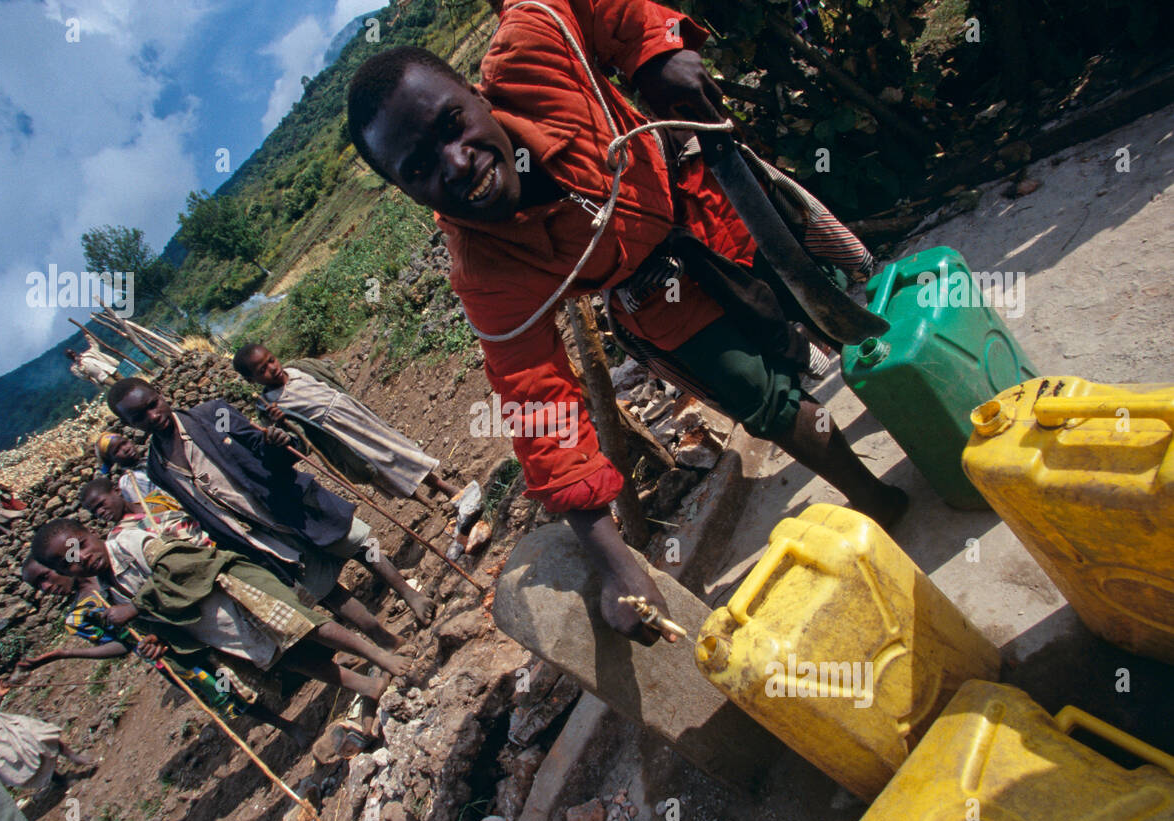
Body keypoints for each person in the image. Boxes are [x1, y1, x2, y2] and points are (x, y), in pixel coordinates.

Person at [344, 0, 907, 645]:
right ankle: (880, 502)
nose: (456, 162)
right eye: (418, 168)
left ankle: (920, 404)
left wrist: (655, 54)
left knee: (838, 312)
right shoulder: (487, 270)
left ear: (475, 94)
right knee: (765, 397)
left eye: (452, 124)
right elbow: (536, 399)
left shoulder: (532, 50)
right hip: (651, 293)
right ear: (402, 187)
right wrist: (617, 568)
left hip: (706, 195)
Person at [106, 378, 436, 641]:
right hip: (251, 532)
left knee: (358, 543)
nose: (153, 416)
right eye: (139, 417)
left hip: (286, 500)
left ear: (160, 395)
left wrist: (278, 443)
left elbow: (260, 447)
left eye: (153, 405)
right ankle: (380, 635)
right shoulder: (156, 469)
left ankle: (409, 594)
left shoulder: (212, 415)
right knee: (321, 588)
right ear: (129, 424)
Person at [28, 518, 408, 715]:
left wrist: (137, 606)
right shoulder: (110, 593)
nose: (82, 558)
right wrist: (155, 639)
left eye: (80, 547)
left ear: (91, 534)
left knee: (309, 626)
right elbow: (157, 623)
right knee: (292, 659)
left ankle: (382, 655)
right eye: (68, 562)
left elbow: (179, 566)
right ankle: (364, 685)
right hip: (214, 628)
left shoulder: (129, 543)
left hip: (235, 593)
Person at [17, 557, 312, 745]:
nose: (46, 588)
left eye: (44, 577)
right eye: (38, 587)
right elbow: (119, 646)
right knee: (224, 688)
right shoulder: (80, 616)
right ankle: (286, 726)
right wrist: (62, 655)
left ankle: (294, 676)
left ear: (58, 563)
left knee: (247, 648)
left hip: (187, 625)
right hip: (174, 658)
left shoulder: (106, 571)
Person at [232, 343, 460, 509]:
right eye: (262, 370)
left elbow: (331, 380)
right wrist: (282, 423)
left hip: (354, 414)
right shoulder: (270, 407)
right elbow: (298, 445)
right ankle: (421, 499)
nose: (271, 368)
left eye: (271, 360)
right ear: (253, 380)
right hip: (339, 437)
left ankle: (443, 487)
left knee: (397, 449)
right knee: (379, 468)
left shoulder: (299, 369)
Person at [95, 431, 181, 514]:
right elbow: (147, 509)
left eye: (124, 443)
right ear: (111, 460)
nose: (125, 449)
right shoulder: (127, 482)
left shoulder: (151, 459)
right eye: (117, 450)